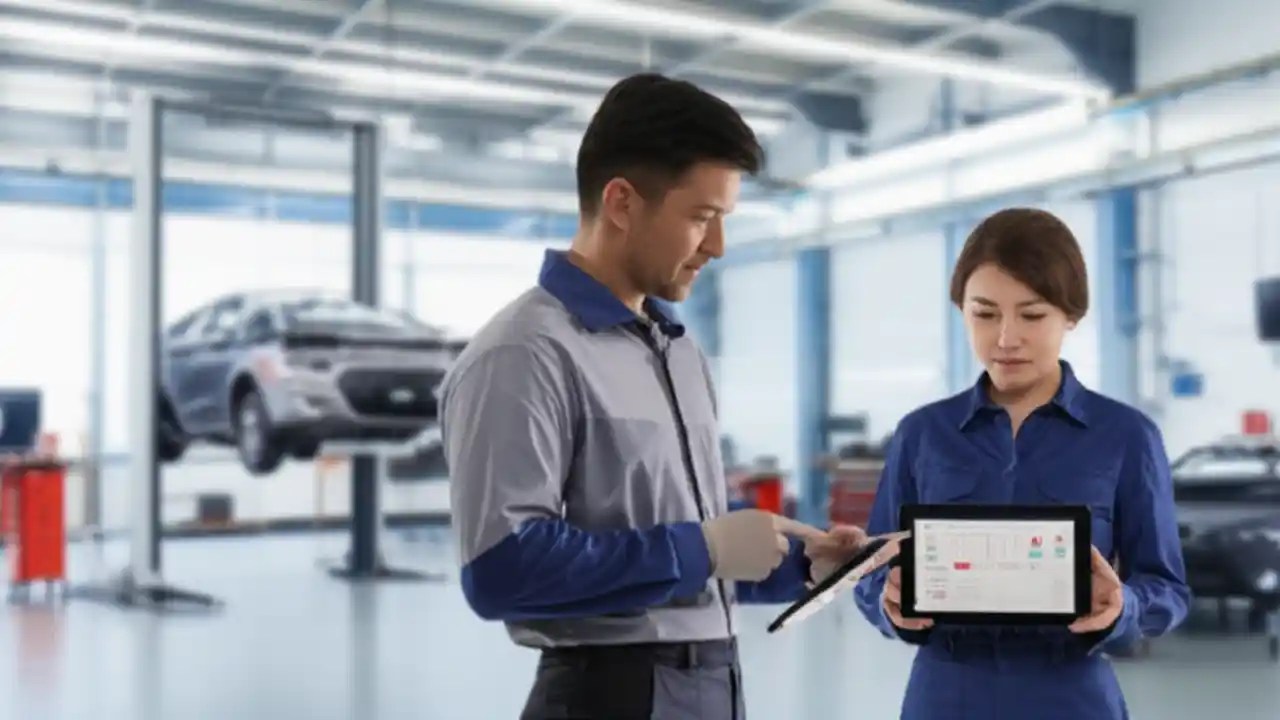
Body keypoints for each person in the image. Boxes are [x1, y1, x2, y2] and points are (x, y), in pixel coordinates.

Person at [438, 72, 874, 720]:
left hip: (715, 682)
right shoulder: (523, 354)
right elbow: (502, 569)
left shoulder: (679, 352)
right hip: (608, 693)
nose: (719, 247)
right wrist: (708, 549)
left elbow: (681, 527)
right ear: (621, 202)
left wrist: (800, 567)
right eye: (702, 218)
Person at [851, 207, 1191, 719]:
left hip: (1070, 695)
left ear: (1071, 316)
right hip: (946, 694)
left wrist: (1125, 607)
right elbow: (871, 571)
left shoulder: (1126, 437)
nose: (1006, 338)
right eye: (984, 314)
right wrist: (886, 601)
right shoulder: (922, 435)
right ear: (960, 310)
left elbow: (1167, 588)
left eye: (1032, 315)